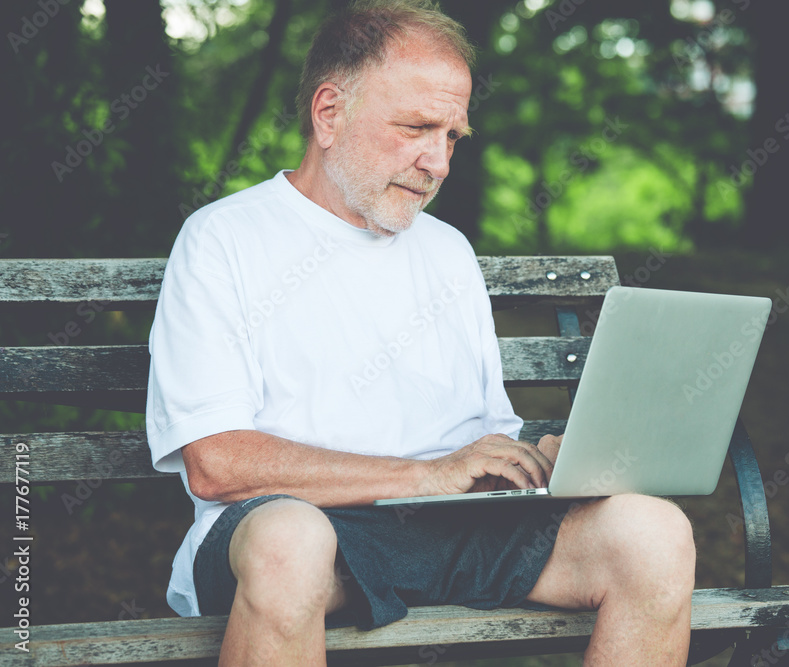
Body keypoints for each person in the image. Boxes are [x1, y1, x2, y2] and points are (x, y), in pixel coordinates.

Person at [145, 1, 695, 664]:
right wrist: (424, 474)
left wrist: (536, 460)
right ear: (329, 114)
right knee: (289, 543)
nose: (437, 161)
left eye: (453, 136)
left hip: (457, 526)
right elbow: (216, 464)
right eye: (416, 127)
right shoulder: (222, 241)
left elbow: (480, 434)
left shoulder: (447, 252)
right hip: (303, 529)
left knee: (654, 532)